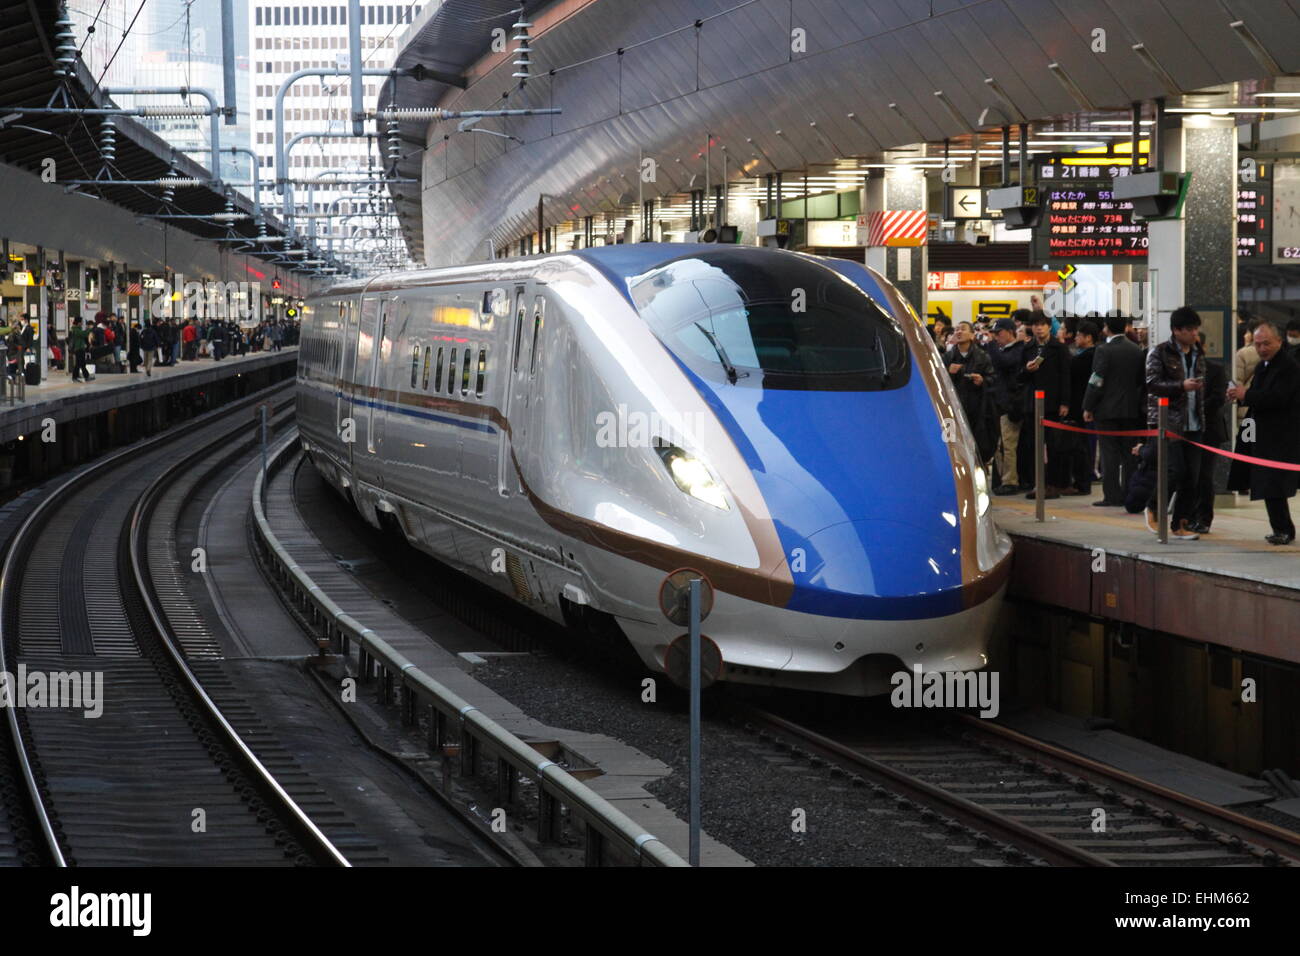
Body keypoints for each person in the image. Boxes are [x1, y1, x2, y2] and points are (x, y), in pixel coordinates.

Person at [1227, 321, 1300, 544]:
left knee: (1274, 484)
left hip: (1281, 437)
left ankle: (1284, 530)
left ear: (1279, 341)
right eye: (1258, 344)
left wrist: (1245, 395)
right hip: (1263, 434)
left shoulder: (1288, 367)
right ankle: (1281, 529)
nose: (1262, 349)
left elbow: (1278, 398)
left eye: (1266, 343)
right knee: (1269, 484)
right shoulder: (1263, 366)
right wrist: (1241, 396)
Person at [1144, 307, 1205, 539]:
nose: (1194, 333)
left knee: (1192, 476)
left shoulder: (1199, 353)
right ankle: (1153, 506)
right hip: (1169, 422)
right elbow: (1152, 384)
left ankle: (1180, 523)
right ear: (1176, 330)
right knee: (1175, 470)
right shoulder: (1159, 352)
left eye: (1196, 329)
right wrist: (1181, 386)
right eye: (1189, 329)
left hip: (1195, 422)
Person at [1083, 314, 1146, 507]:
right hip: (1131, 410)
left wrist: (1088, 405)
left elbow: (1097, 379)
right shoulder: (1136, 350)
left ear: (1106, 327)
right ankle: (1129, 492)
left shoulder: (1104, 350)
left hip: (1107, 410)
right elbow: (1140, 381)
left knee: (1109, 453)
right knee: (1129, 455)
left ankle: (1111, 495)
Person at [1019, 311, 1071, 499]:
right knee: (1034, 445)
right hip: (1032, 403)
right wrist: (1027, 369)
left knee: (1054, 446)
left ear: (1049, 326)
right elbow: (1019, 377)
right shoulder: (1027, 348)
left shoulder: (1059, 348)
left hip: (1053, 403)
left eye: (1042, 324)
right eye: (1035, 324)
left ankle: (1053, 484)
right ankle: (1037, 483)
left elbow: (1066, 376)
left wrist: (1065, 402)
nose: (1039, 328)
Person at [1188, 331, 1228, 534]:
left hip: (1209, 431)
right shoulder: (1180, 370)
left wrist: (1195, 407)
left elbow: (1218, 398)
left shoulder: (1215, 369)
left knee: (1204, 476)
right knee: (1187, 474)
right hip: (1185, 430)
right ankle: (1188, 516)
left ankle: (1203, 519)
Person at [943, 321, 998, 466]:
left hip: (977, 408)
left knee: (977, 445)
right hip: (954, 408)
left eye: (963, 329)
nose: (959, 332)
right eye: (957, 330)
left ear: (972, 335)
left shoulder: (982, 357)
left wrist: (982, 380)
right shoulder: (948, 357)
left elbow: (993, 378)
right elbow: (938, 382)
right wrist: (949, 373)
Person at [988, 315, 1027, 494]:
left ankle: (1010, 480)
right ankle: (1003, 478)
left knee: (1009, 445)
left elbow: (1002, 363)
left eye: (999, 333)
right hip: (1001, 404)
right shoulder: (1005, 350)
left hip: (1012, 406)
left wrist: (991, 345)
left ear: (1010, 332)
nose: (996, 337)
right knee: (1001, 445)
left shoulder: (1019, 350)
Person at [1061, 319, 1099, 495]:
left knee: (1082, 447)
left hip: (1082, 407)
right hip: (1086, 406)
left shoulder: (1086, 357)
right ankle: (1082, 481)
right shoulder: (1093, 354)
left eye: (1078, 335)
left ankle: (1082, 483)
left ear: (1089, 338)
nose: (1075, 338)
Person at [68, 317, 90, 383]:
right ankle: (76, 377)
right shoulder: (75, 330)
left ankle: (85, 376)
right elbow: (83, 334)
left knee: (81, 363)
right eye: (81, 322)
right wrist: (89, 330)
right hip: (78, 348)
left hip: (81, 348)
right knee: (79, 363)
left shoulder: (78, 329)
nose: (82, 324)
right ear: (78, 323)